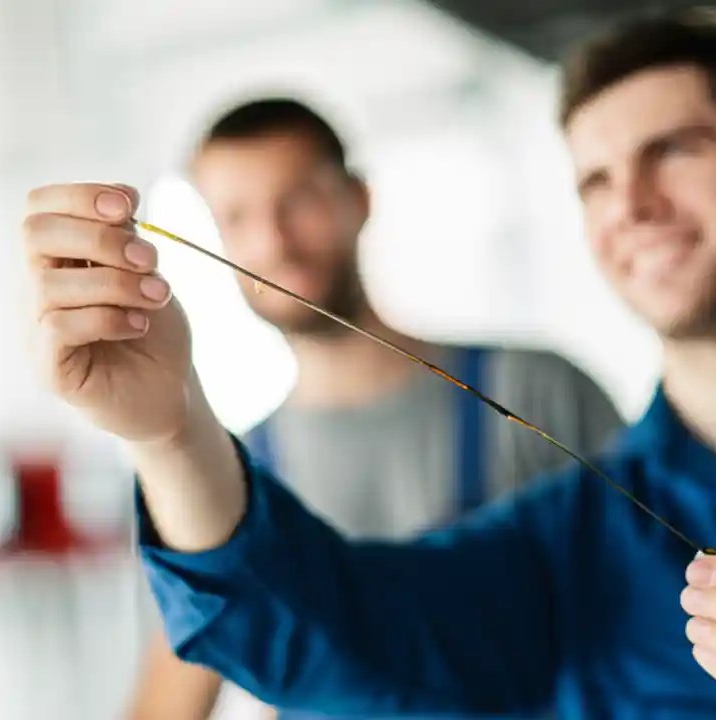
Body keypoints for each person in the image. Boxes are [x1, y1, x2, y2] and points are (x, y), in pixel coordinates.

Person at [22, 7, 716, 720]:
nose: (631, 204)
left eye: (674, 150)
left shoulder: (538, 398)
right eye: (596, 180)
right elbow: (332, 633)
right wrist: (172, 431)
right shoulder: (564, 544)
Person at [123, 98, 625, 719]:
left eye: (298, 200)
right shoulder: (219, 481)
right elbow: (166, 706)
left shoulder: (536, 392)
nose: (273, 240)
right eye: (237, 216)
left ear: (358, 199)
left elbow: (652, 619)